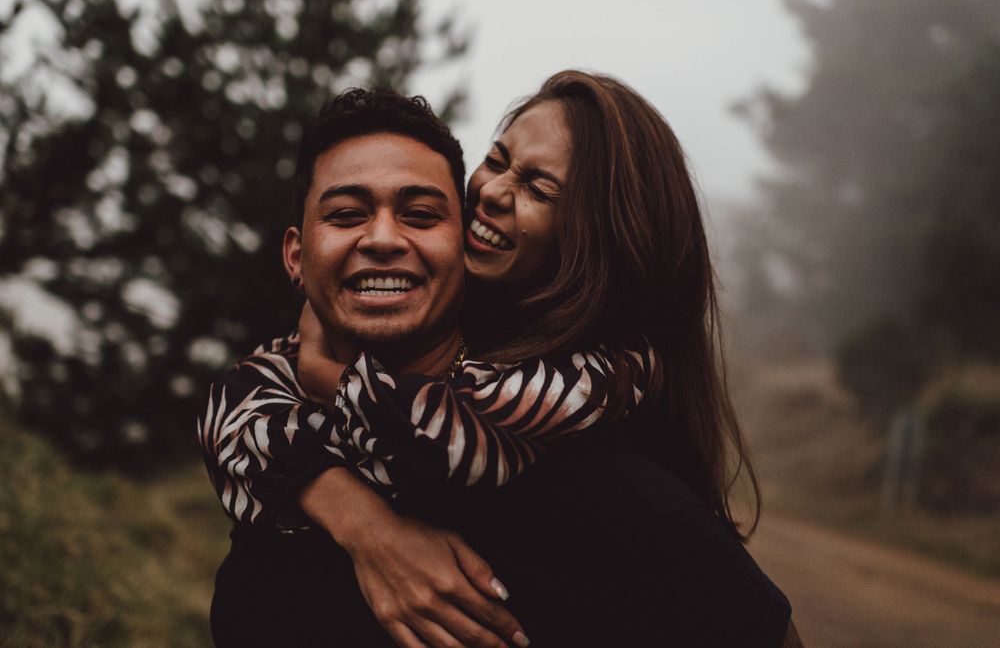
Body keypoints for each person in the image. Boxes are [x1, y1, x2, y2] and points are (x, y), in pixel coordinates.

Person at [200, 75, 800, 647]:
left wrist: (330, 379)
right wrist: (366, 526)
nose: (491, 191)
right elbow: (233, 405)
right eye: (496, 160)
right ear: (296, 256)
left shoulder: (586, 459)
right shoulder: (284, 420)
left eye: (421, 213)